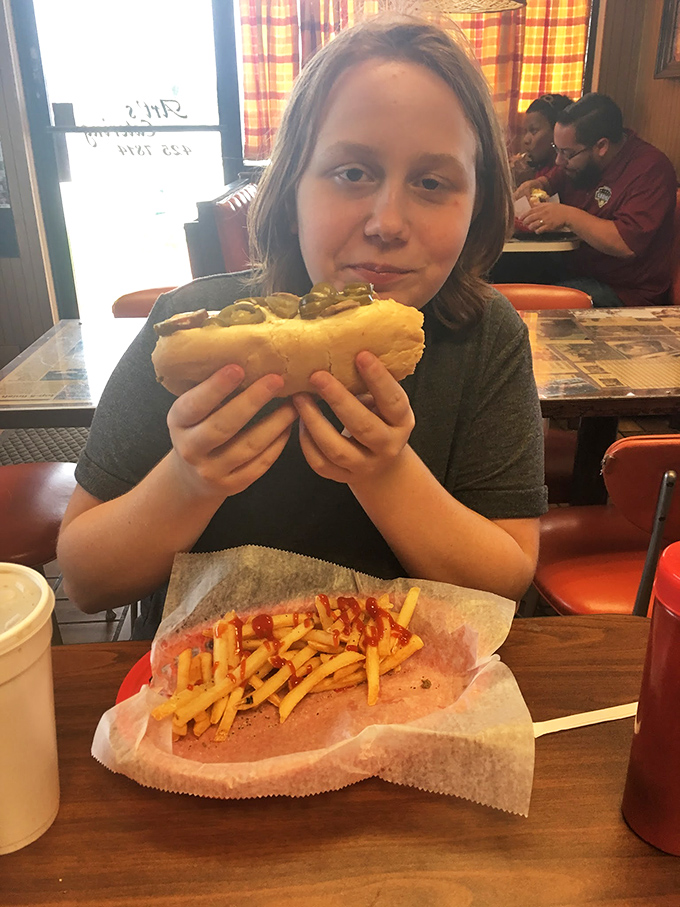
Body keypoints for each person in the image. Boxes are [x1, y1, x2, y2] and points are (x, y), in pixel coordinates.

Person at [57, 16, 548, 640]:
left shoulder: (484, 336)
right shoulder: (188, 333)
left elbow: (507, 576)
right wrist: (187, 481)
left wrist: (384, 474)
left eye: (432, 182)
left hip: (412, 692)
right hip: (203, 690)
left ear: (477, 206)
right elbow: (86, 579)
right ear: (291, 190)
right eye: (352, 172)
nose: (387, 221)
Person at [515, 93, 677, 307]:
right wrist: (538, 184)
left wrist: (567, 215)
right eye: (557, 150)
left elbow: (625, 244)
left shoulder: (650, 169)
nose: (558, 161)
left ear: (601, 146)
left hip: (623, 291)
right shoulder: (578, 163)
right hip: (572, 267)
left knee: (526, 301)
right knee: (498, 273)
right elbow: (554, 178)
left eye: (567, 153)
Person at [509, 93, 573, 187]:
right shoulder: (537, 168)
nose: (525, 140)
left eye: (533, 130)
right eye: (525, 131)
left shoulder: (569, 173)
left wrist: (529, 180)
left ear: (556, 130)